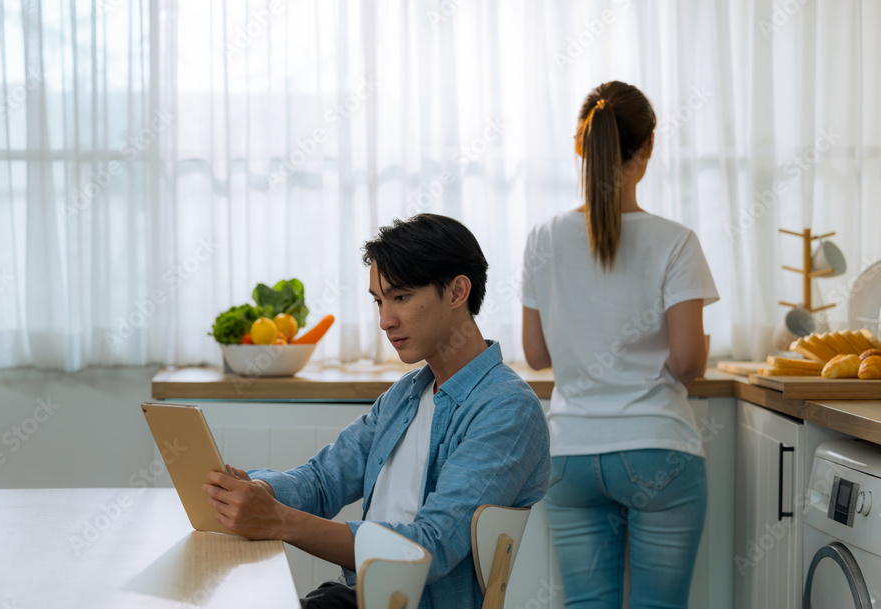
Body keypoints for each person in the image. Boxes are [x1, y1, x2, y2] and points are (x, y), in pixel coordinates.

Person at [203, 213, 551, 609]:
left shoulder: (507, 409)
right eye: (379, 301)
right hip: (357, 596)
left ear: (457, 292)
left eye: (401, 297)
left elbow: (429, 549)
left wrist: (279, 520)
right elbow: (323, 481)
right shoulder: (406, 395)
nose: (385, 321)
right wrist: (258, 491)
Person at [520, 81, 719, 608]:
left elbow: (536, 356)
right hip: (658, 448)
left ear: (580, 145)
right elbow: (687, 363)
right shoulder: (675, 241)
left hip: (569, 455)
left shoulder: (543, 237)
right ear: (648, 146)